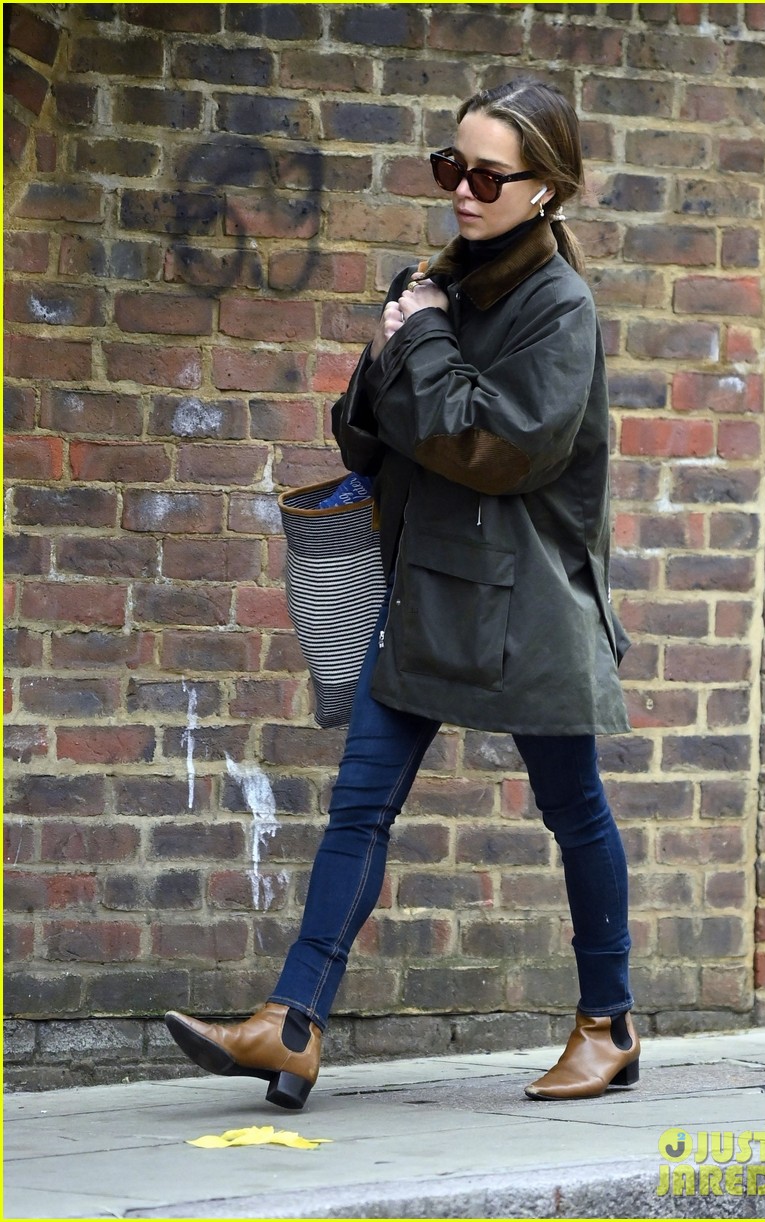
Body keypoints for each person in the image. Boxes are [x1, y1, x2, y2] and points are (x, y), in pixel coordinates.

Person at [165, 78, 639, 1110]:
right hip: (427, 585)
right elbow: (376, 434)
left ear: (545, 190)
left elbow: (494, 446)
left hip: (526, 604)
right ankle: (291, 1024)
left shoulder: (557, 308)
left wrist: (417, 338)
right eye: (447, 168)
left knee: (573, 809)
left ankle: (607, 1024)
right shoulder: (437, 283)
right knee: (360, 803)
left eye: (483, 175)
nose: (460, 193)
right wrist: (391, 347)